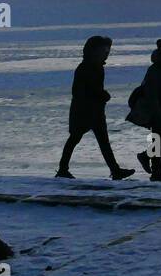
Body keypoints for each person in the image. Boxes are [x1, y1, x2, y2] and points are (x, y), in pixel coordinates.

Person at [56, 36, 136, 180]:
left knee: (103, 141)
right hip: (83, 111)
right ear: (93, 51)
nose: (106, 53)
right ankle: (62, 169)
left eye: (108, 50)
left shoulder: (97, 67)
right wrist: (101, 95)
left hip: (96, 111)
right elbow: (79, 91)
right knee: (75, 138)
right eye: (104, 50)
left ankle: (115, 170)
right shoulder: (85, 68)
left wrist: (100, 96)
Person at [127, 38, 161, 182]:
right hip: (157, 110)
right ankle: (156, 172)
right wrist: (157, 114)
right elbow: (151, 94)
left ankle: (146, 156)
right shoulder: (155, 70)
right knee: (157, 139)